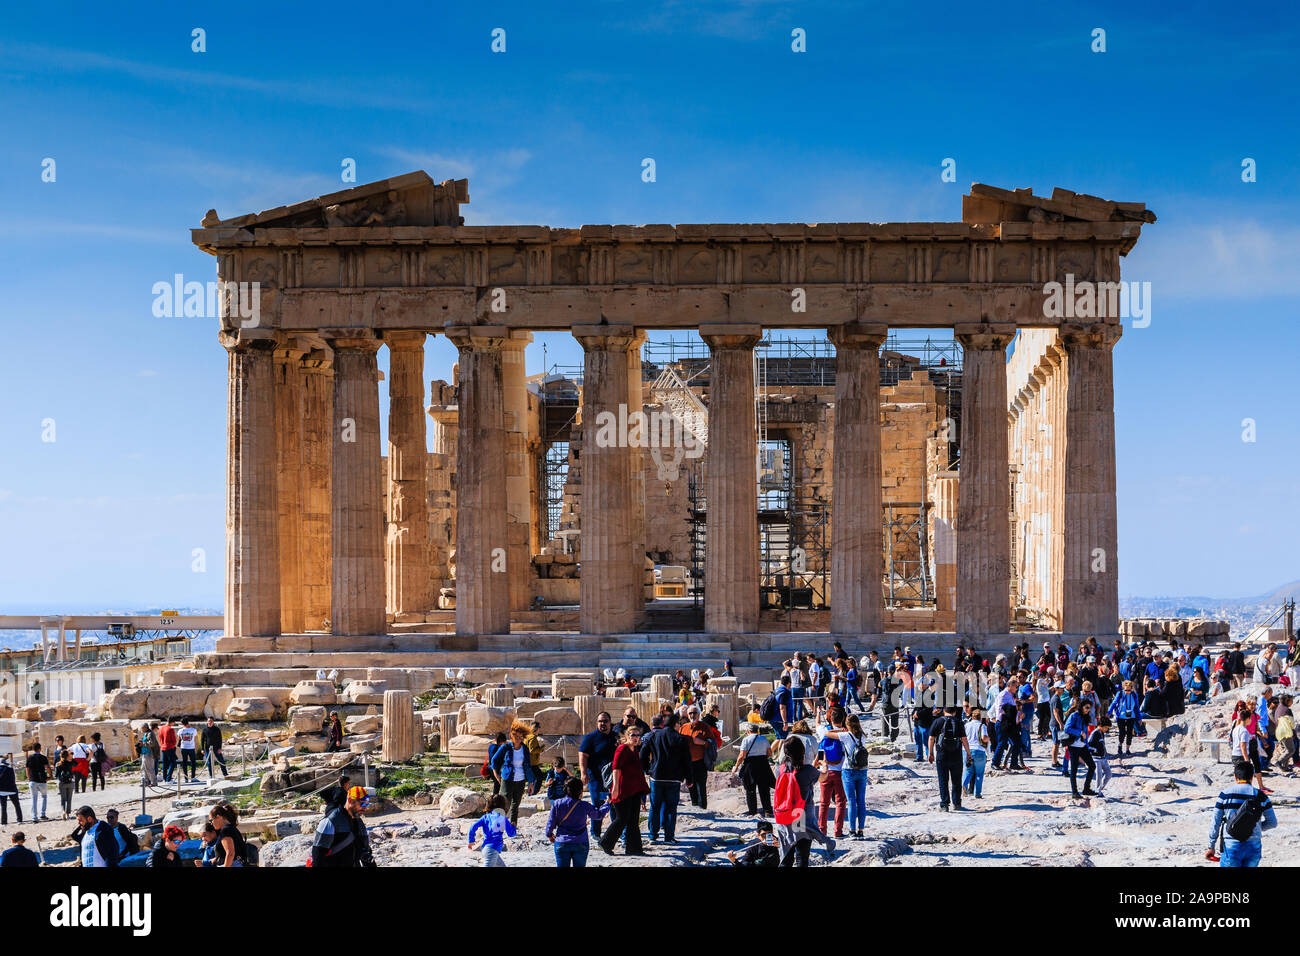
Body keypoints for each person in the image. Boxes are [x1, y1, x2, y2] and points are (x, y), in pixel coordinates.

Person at [772, 736, 835, 866]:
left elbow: (794, 773)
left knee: (786, 858)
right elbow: (823, 778)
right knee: (802, 858)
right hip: (801, 817)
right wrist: (824, 766)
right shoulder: (808, 770)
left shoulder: (779, 769)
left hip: (783, 815)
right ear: (802, 751)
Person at [1207, 760, 1277, 867]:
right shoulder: (1261, 796)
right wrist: (1254, 826)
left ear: (1235, 776)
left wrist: (1211, 846)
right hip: (1253, 845)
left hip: (1231, 844)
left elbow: (1215, 822)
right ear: (1252, 777)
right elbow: (1272, 822)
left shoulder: (1225, 795)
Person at [599, 723, 649, 856]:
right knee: (622, 818)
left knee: (633, 820)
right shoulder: (622, 749)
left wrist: (641, 794)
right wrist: (614, 787)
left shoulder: (635, 751)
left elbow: (638, 773)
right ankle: (605, 842)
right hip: (622, 789)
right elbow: (616, 768)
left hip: (634, 790)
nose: (636, 737)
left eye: (638, 735)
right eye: (633, 735)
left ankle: (634, 849)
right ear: (627, 736)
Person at [642, 711, 690, 843]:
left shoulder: (654, 736)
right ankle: (669, 837)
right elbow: (687, 761)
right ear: (676, 724)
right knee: (670, 808)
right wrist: (689, 778)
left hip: (656, 777)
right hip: (674, 778)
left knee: (655, 806)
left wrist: (647, 769)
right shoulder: (681, 739)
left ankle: (652, 835)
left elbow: (643, 754)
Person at [545, 776, 607, 867]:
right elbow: (598, 815)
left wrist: (549, 834)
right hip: (580, 842)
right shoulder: (584, 805)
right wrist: (607, 804)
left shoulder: (557, 804)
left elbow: (551, 823)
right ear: (580, 791)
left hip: (562, 842)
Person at [311, 786, 375, 867]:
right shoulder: (330, 821)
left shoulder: (359, 823)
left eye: (367, 804)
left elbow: (365, 852)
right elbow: (318, 857)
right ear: (350, 801)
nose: (365, 808)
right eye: (362, 803)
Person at [578, 712, 619, 838]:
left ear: (610, 722)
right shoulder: (590, 737)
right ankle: (596, 833)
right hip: (596, 778)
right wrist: (583, 773)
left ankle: (614, 832)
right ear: (597, 723)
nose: (603, 723)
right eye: (600, 721)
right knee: (597, 805)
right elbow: (583, 755)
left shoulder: (616, 737)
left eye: (605, 721)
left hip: (614, 778)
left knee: (614, 805)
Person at [491, 725, 537, 826]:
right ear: (512, 736)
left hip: (520, 780)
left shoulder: (525, 749)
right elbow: (494, 760)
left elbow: (528, 766)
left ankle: (513, 826)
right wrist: (496, 774)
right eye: (516, 737)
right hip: (507, 779)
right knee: (503, 803)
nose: (518, 740)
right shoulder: (506, 747)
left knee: (516, 804)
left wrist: (531, 782)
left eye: (521, 737)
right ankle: (497, 825)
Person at [814, 706, 849, 839]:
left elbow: (817, 724)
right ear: (843, 719)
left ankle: (822, 830)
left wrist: (818, 713)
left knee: (824, 802)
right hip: (840, 771)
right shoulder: (845, 733)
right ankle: (838, 831)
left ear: (830, 719)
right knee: (840, 802)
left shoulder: (824, 730)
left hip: (825, 770)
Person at [927, 705, 970, 811]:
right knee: (956, 780)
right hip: (956, 755)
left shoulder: (938, 721)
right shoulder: (959, 722)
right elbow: (964, 739)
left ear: (944, 711)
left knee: (943, 780)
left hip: (942, 754)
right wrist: (969, 753)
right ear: (955, 712)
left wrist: (930, 753)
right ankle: (957, 803)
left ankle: (944, 804)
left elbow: (931, 738)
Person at [679, 704, 722, 809]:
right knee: (691, 787)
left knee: (701, 788)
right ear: (687, 715)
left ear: (699, 714)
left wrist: (702, 742)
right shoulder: (683, 728)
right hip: (688, 763)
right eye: (690, 713)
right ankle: (695, 808)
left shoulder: (705, 727)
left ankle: (703, 810)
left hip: (700, 763)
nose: (692, 715)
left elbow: (713, 743)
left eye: (695, 713)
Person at [840, 713, 871, 838]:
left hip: (849, 769)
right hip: (862, 770)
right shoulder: (862, 736)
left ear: (846, 725)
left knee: (851, 801)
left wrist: (840, 729)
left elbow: (826, 733)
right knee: (861, 801)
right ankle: (861, 830)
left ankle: (852, 831)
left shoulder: (845, 735)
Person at [737, 720, 775, 817]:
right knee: (764, 789)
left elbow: (742, 755)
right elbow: (770, 753)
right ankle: (768, 810)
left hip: (750, 764)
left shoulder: (746, 739)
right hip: (763, 763)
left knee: (750, 789)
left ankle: (753, 811)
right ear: (757, 730)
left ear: (748, 731)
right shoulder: (763, 739)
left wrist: (736, 766)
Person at [467, 794, 516, 866]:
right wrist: (513, 827)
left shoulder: (485, 817)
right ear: (503, 805)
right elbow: (511, 834)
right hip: (492, 850)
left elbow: (472, 827)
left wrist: (471, 841)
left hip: (485, 848)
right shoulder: (503, 818)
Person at [1063, 699, 1097, 799]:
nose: (1088, 710)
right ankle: (1074, 792)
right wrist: (1080, 732)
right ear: (1081, 706)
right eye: (1086, 707)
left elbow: (1086, 732)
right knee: (1074, 770)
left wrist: (1087, 744)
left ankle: (1086, 788)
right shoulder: (1074, 715)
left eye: (1089, 708)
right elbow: (1066, 728)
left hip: (1082, 746)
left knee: (1092, 765)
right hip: (1073, 746)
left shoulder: (1086, 717)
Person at [963, 707, 990, 799]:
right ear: (980, 717)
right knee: (979, 773)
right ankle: (977, 793)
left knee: (968, 771)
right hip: (979, 750)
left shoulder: (967, 725)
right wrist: (989, 739)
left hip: (967, 750)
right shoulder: (982, 726)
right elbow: (984, 738)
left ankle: (964, 785)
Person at [1108, 679, 1140, 757]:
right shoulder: (1120, 694)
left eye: (1129, 690)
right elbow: (1114, 703)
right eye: (1126, 690)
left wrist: (1139, 717)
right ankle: (1120, 745)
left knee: (1129, 733)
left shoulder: (1134, 695)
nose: (1127, 692)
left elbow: (1137, 707)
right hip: (1121, 716)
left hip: (1131, 716)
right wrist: (1109, 712)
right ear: (1123, 688)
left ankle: (1127, 749)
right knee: (1122, 732)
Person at [210, 802, 246, 867]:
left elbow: (230, 853)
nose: (211, 823)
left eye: (211, 820)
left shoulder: (225, 831)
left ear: (218, 817)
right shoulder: (232, 828)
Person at [24, 743, 49, 821]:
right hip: (42, 780)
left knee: (34, 799)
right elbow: (47, 767)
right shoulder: (43, 757)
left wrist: (29, 778)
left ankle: (34, 817)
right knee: (44, 797)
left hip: (33, 780)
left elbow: (27, 769)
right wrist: (50, 776)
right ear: (40, 748)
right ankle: (43, 814)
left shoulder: (29, 758)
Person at [524, 721, 545, 794]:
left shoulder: (528, 736)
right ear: (536, 729)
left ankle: (532, 792)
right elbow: (532, 750)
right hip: (532, 763)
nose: (539, 730)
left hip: (529, 762)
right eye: (539, 728)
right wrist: (541, 749)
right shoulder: (532, 738)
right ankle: (533, 793)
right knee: (539, 777)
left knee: (533, 779)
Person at [55, 750, 77, 819]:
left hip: (62, 783)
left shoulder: (58, 764)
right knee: (69, 799)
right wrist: (70, 756)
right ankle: (68, 814)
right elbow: (76, 763)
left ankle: (63, 811)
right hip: (70, 782)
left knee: (63, 799)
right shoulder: (70, 762)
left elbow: (56, 775)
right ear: (67, 755)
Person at [0, 756, 21, 825]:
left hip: (2, 790)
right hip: (12, 789)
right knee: (16, 805)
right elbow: (13, 780)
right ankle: (19, 819)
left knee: (3, 806)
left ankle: (4, 821)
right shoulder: (10, 769)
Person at [773, 674, 795, 739]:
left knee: (779, 738)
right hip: (779, 719)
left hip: (775, 717)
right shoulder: (784, 692)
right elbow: (782, 708)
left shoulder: (778, 690)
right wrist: (785, 722)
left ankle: (771, 749)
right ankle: (781, 749)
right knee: (783, 738)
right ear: (788, 683)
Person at [158, 718, 178, 784]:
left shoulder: (161, 728)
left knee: (165, 763)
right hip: (170, 747)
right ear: (172, 722)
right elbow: (174, 740)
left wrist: (162, 745)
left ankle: (164, 778)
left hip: (163, 747)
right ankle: (168, 779)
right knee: (172, 763)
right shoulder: (170, 729)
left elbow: (160, 738)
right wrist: (173, 745)